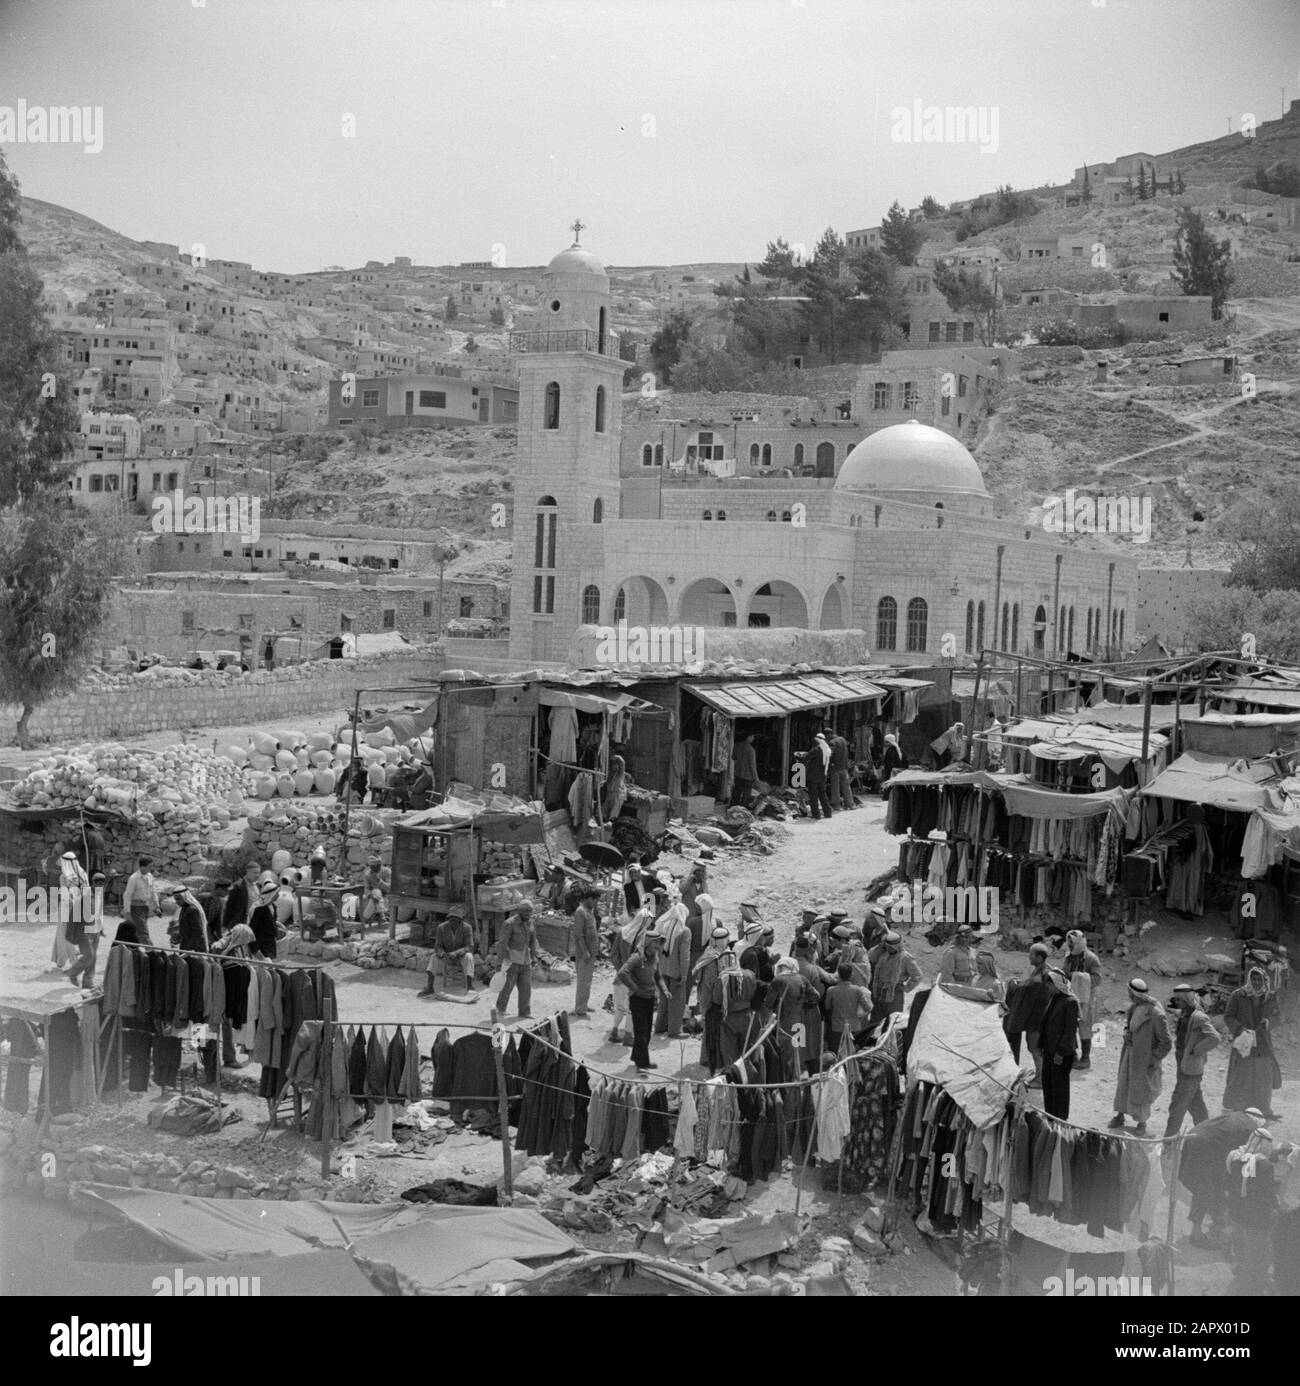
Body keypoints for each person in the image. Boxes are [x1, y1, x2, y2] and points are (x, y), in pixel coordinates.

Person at [1178, 1108, 1265, 1248]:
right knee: (1204, 1188)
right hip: (1205, 1147)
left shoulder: (1235, 1116)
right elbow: (1241, 1165)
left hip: (1194, 1138)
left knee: (1212, 1182)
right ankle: (1196, 1234)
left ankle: (1216, 1217)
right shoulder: (1250, 1128)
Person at [1225, 1127, 1299, 1295]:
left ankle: (1239, 1268)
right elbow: (1268, 1192)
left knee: (1239, 1243)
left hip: (1237, 1210)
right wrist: (1276, 1207)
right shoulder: (1264, 1165)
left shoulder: (1236, 1157)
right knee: (1257, 1250)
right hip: (1256, 1215)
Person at [1109, 978, 1172, 1136]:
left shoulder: (1155, 1014)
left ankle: (1142, 1122)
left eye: (1130, 992)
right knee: (1124, 1084)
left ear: (1135, 993)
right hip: (1130, 1054)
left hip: (1145, 1060)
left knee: (1142, 1091)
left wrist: (1152, 1059)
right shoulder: (1132, 1008)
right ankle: (1120, 1115)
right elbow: (1127, 1026)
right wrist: (1126, 1033)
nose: (1128, 995)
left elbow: (1166, 1043)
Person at [1222, 966, 1282, 1119]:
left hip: (1263, 1043)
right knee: (1242, 1075)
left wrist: (1268, 1022)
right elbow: (1228, 1016)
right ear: (1249, 979)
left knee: (1264, 1076)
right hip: (1244, 1041)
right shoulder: (1238, 995)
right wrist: (1240, 1030)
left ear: (1264, 980)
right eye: (1253, 979)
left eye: (1259, 979)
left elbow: (1278, 1017)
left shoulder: (1271, 997)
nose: (1256, 982)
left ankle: (1263, 1109)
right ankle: (1239, 1108)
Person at [1163, 983, 1220, 1137]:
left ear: (1187, 999)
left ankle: (1168, 1140)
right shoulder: (1184, 1014)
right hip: (1184, 1066)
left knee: (1177, 1105)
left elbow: (1215, 1038)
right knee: (1197, 1106)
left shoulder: (1198, 1016)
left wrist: (1197, 1050)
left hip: (1191, 1069)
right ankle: (1207, 1136)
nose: (1178, 1003)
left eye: (1180, 1000)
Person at [615, 931, 669, 1074]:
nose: (656, 948)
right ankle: (642, 1063)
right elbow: (623, 972)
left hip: (650, 998)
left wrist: (664, 989)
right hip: (637, 999)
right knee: (641, 1032)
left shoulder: (655, 958)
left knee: (647, 1031)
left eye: (658, 945)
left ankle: (636, 1056)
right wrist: (634, 987)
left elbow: (658, 977)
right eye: (654, 945)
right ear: (647, 944)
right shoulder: (637, 957)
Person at [1004, 942, 1053, 1086]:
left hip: (1037, 1020)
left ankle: (1041, 1080)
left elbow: (1031, 988)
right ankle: (1040, 1076)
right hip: (1037, 1018)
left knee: (1035, 1049)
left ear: (1039, 957)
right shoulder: (1041, 970)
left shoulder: (1042, 975)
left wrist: (1015, 986)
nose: (1029, 957)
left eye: (1031, 955)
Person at [763, 956, 815, 1081]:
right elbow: (815, 996)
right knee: (798, 1054)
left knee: (784, 1055)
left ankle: (786, 1083)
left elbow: (768, 1002)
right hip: (800, 1021)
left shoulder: (778, 980)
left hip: (783, 1024)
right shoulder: (802, 978)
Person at [1038, 967, 1080, 1119]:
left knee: (1059, 1086)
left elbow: (1070, 1032)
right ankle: (1050, 1115)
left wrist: (1060, 1053)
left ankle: (1060, 1118)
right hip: (1049, 1048)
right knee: (1048, 1082)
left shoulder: (1070, 1002)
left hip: (1061, 1052)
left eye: (1049, 985)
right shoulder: (1054, 999)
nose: (1047, 988)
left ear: (1056, 984)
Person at [693, 926, 733, 1074]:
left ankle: (706, 1058)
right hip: (711, 1000)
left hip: (709, 997)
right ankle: (709, 1059)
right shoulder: (713, 958)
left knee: (710, 1029)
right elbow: (712, 982)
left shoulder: (711, 953)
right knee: (712, 1029)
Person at [1061, 929, 1102, 1069]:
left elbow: (1097, 979)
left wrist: (1078, 976)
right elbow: (1064, 973)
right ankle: (1073, 1055)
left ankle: (1085, 1058)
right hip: (1071, 997)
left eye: (1072, 943)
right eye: (1069, 943)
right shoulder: (1069, 957)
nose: (1070, 946)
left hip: (1086, 999)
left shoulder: (1091, 959)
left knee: (1085, 1028)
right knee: (1069, 1027)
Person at [866, 929, 922, 1026]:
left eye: (891, 947)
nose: (889, 949)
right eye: (887, 946)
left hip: (894, 993)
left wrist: (905, 988)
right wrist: (880, 946)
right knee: (875, 1021)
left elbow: (917, 976)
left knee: (892, 1021)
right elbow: (870, 956)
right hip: (878, 991)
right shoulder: (883, 953)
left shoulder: (906, 958)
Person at [494, 900, 539, 1020]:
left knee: (526, 988)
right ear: (519, 911)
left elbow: (533, 942)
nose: (528, 913)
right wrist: (500, 962)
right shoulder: (509, 923)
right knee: (507, 987)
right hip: (512, 961)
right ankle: (501, 1009)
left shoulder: (531, 923)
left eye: (530, 911)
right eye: (526, 911)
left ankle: (524, 1012)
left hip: (525, 961)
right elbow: (502, 943)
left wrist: (534, 957)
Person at [654, 898, 692, 1038]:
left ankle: (659, 1026)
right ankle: (674, 1030)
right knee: (677, 1001)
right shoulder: (684, 931)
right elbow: (684, 956)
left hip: (663, 968)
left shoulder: (663, 926)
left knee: (664, 999)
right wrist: (684, 974)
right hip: (676, 971)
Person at [421, 906, 477, 996]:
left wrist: (456, 953)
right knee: (434, 957)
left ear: (460, 920)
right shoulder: (441, 927)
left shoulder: (467, 928)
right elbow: (437, 945)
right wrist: (442, 953)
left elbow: (470, 947)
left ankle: (470, 987)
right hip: (446, 956)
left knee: (469, 957)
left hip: (460, 956)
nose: (452, 921)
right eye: (451, 919)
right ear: (448, 918)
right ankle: (429, 987)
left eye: (455, 919)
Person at [824, 963, 873, 1052]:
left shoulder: (831, 990)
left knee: (837, 1053)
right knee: (852, 1054)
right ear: (851, 975)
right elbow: (868, 1008)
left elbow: (827, 1007)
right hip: (854, 1027)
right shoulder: (857, 990)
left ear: (838, 975)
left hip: (837, 1027)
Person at [571, 888, 600, 1018]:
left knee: (587, 980)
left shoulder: (589, 911)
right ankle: (580, 1009)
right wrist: (585, 951)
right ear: (589, 898)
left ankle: (584, 1005)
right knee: (583, 981)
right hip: (585, 952)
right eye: (595, 901)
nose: (596, 903)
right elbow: (578, 935)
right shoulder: (580, 912)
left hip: (591, 950)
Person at [121, 854, 158, 942]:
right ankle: (151, 952)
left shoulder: (150, 876)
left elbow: (153, 891)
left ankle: (134, 951)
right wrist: (127, 911)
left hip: (145, 907)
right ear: (142, 867)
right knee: (144, 932)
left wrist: (157, 905)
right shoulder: (134, 878)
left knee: (138, 931)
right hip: (136, 908)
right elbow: (128, 895)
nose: (151, 869)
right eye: (150, 866)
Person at [803, 732, 833, 820]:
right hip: (822, 776)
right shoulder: (827, 749)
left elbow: (807, 757)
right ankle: (828, 813)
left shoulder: (816, 749)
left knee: (813, 796)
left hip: (813, 776)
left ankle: (816, 814)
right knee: (823, 795)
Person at [826, 725, 854, 811]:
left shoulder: (832, 743)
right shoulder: (843, 740)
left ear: (829, 734)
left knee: (835, 787)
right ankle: (849, 804)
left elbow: (830, 754)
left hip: (835, 767)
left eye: (826, 736)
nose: (826, 738)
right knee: (846, 786)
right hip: (844, 767)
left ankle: (836, 805)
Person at [731, 733, 758, 809]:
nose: (753, 738)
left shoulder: (736, 746)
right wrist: (756, 778)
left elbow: (733, 757)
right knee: (746, 795)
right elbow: (752, 766)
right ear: (748, 737)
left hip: (738, 773)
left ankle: (732, 808)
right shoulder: (751, 750)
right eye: (752, 736)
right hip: (748, 776)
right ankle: (743, 810)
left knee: (736, 792)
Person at [602, 754, 629, 821]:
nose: (613, 766)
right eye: (612, 765)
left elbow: (622, 764)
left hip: (618, 794)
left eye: (615, 765)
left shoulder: (620, 773)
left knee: (613, 813)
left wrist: (618, 757)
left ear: (618, 765)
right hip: (610, 794)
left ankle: (611, 822)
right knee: (604, 810)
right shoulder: (611, 774)